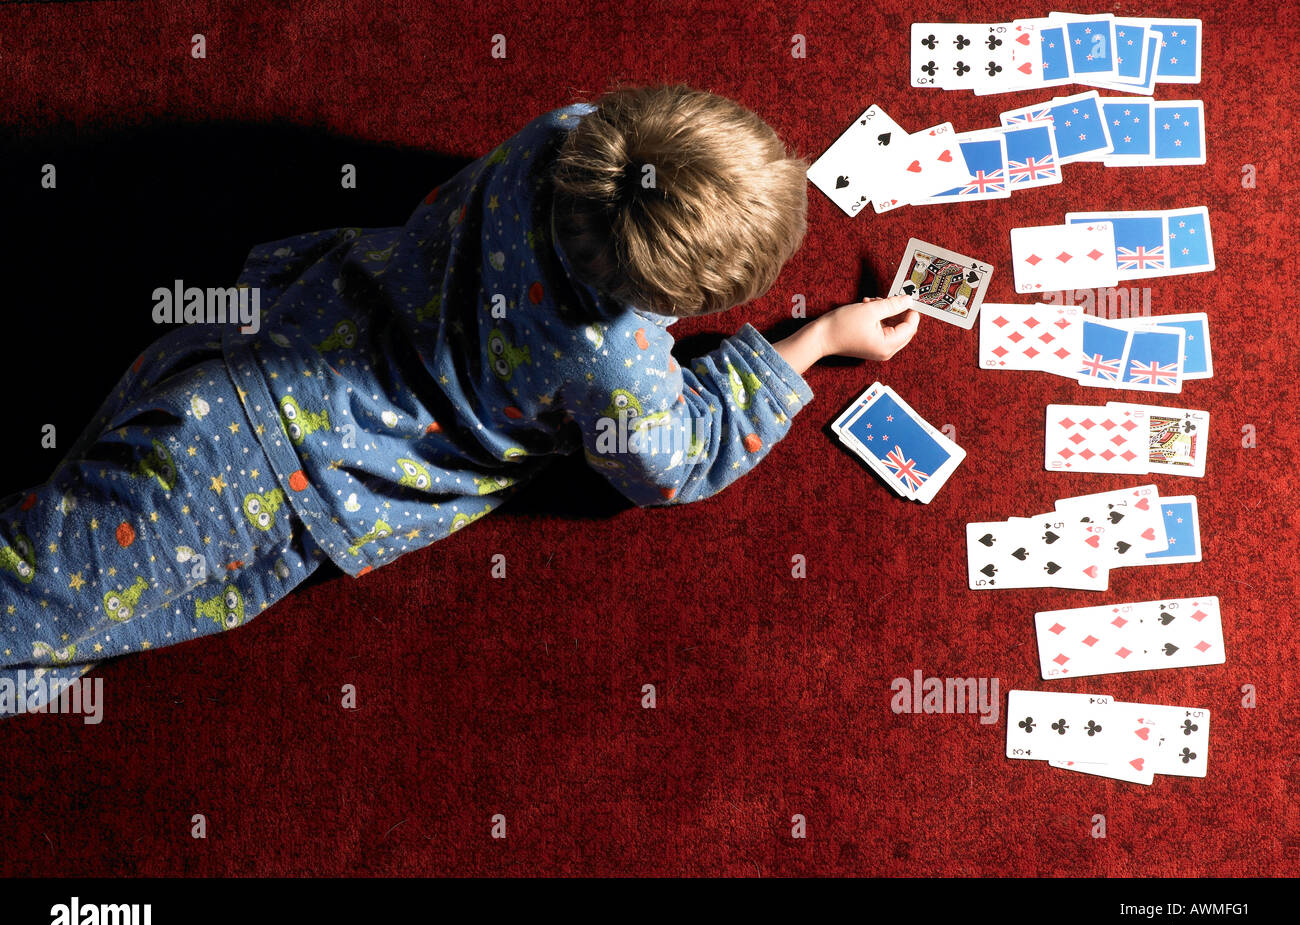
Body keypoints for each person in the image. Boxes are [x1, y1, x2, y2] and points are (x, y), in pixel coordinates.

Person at [0, 84, 918, 717]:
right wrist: (822, 339)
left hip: (254, 352)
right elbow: (673, 465)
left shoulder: (569, 133)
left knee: (65, 583)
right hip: (269, 482)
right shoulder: (619, 367)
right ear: (673, 304)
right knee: (35, 597)